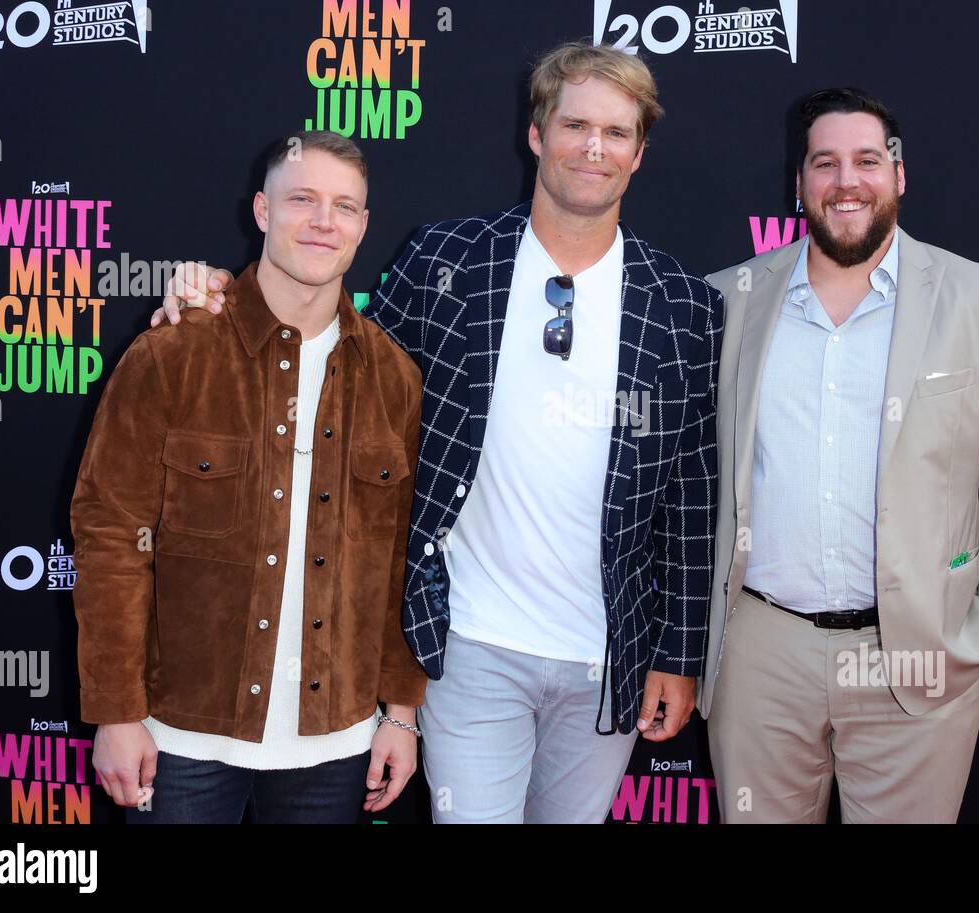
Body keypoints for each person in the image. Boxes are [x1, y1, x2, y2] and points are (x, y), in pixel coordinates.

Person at [151, 42, 722, 824]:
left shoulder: (683, 302)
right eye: (575, 124)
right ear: (536, 134)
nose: (594, 148)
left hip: (607, 658)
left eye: (616, 132)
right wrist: (216, 297)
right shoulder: (446, 259)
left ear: (640, 150)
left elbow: (691, 494)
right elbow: (336, 365)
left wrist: (678, 655)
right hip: (468, 646)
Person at [700, 88, 979, 823]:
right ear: (799, 182)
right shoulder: (729, 300)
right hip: (760, 655)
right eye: (825, 163)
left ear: (900, 175)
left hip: (923, 654)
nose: (847, 181)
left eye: (868, 160)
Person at [71, 130, 426, 823]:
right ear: (262, 210)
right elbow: (111, 536)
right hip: (179, 737)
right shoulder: (173, 353)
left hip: (336, 742)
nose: (324, 221)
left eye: (344, 206)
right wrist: (116, 713)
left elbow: (402, 564)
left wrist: (403, 713)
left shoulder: (394, 378)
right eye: (303, 199)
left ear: (363, 226)